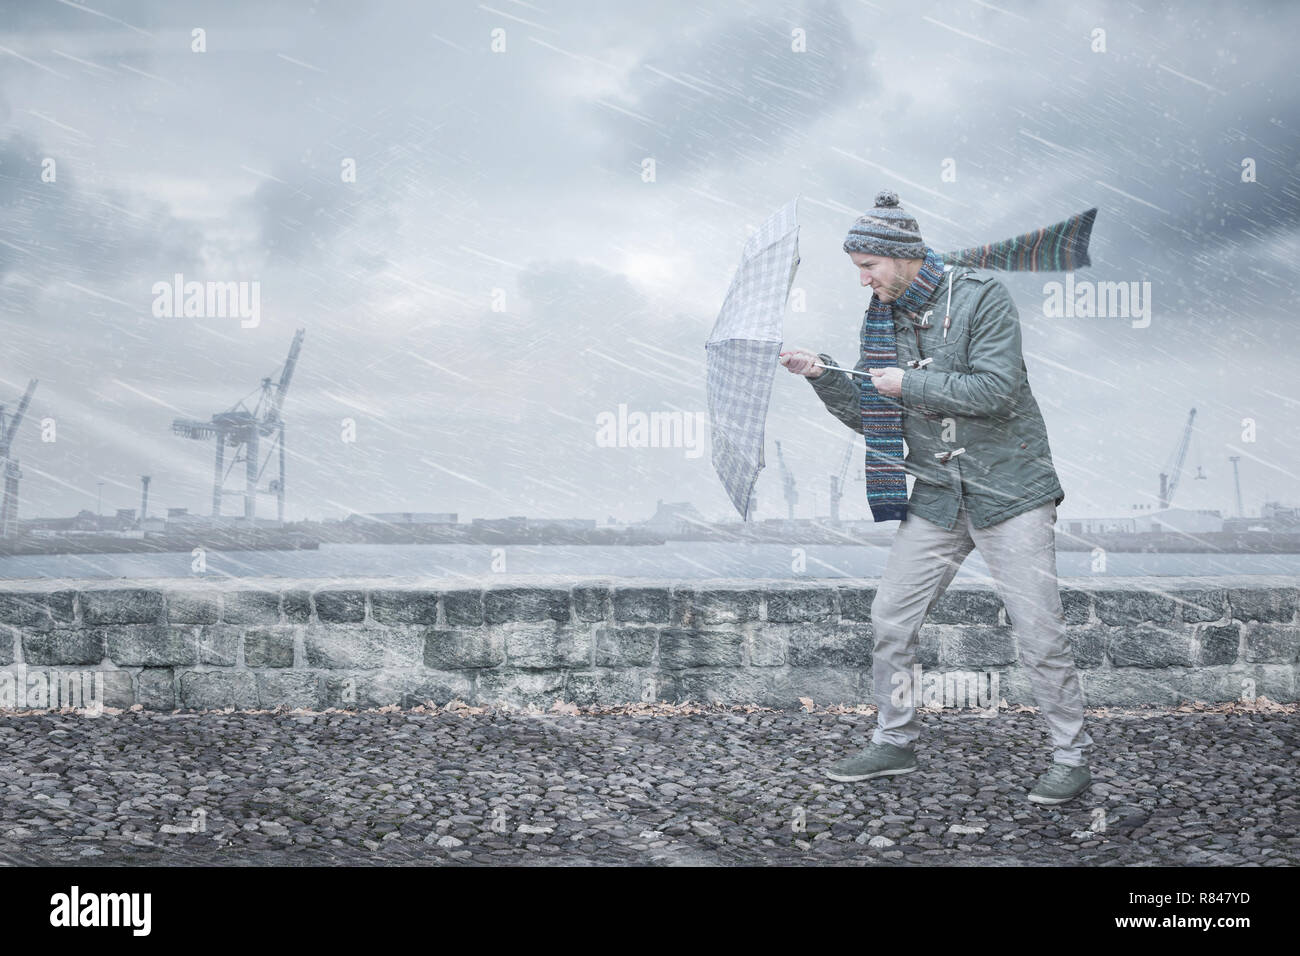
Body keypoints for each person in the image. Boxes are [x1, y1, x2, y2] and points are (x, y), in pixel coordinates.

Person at [779, 190, 1095, 805]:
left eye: (867, 267)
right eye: (857, 269)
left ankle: (1071, 758)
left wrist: (911, 381)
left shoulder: (981, 295)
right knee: (891, 619)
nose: (863, 281)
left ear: (902, 258)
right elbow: (876, 416)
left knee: (1038, 633)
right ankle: (894, 741)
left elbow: (998, 390)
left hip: (1010, 491)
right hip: (938, 496)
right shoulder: (883, 316)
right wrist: (821, 375)